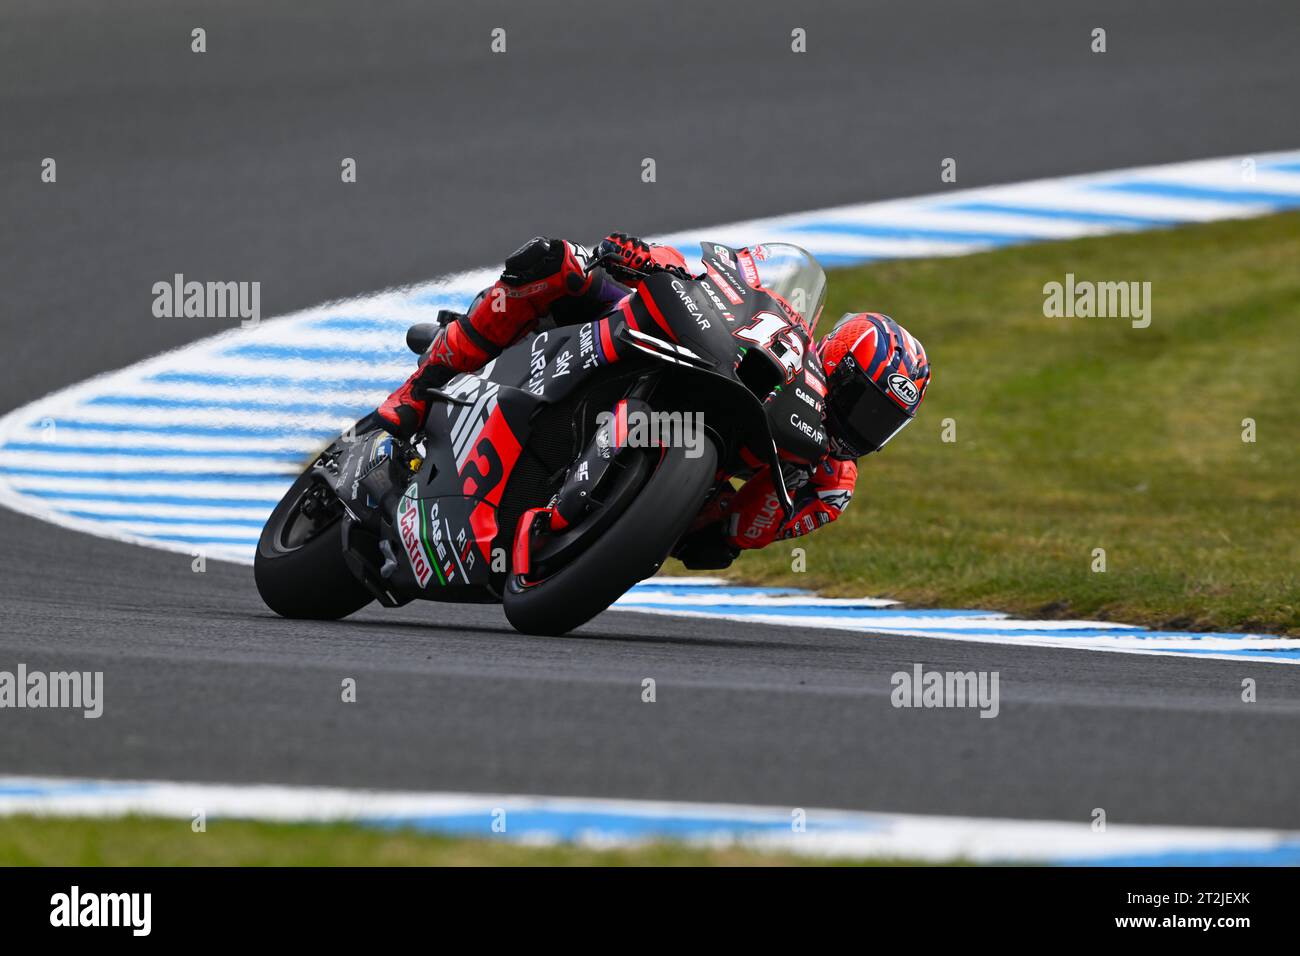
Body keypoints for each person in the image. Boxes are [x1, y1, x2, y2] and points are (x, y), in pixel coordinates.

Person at [373, 234, 930, 568]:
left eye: (881, 422)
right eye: (863, 405)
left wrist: (717, 526)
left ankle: (577, 519)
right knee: (556, 263)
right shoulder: (788, 339)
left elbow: (734, 532)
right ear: (836, 364)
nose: (861, 428)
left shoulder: (830, 478)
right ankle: (420, 390)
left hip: (666, 478)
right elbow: (711, 276)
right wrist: (643, 257)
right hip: (661, 341)